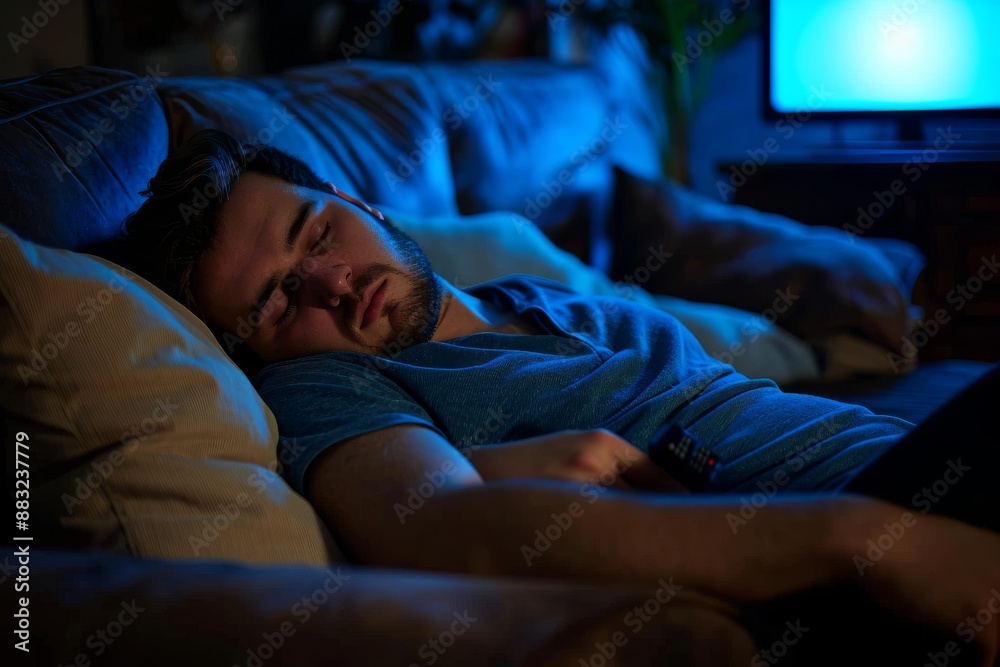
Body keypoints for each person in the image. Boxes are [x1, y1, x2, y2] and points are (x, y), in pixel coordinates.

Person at [124, 130, 1000, 663]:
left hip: (900, 451)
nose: (330, 281)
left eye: (316, 232)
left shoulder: (534, 295)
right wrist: (863, 537)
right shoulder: (324, 383)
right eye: (275, 298)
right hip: (849, 534)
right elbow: (441, 530)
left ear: (357, 200)